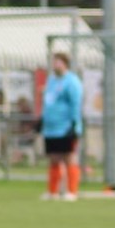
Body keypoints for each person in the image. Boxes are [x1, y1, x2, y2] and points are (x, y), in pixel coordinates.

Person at [39, 51, 83, 201]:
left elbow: (75, 104)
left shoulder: (72, 81)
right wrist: (42, 119)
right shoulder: (51, 80)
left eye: (58, 61)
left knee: (69, 157)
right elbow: (48, 102)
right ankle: (53, 191)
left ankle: (72, 191)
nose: (55, 64)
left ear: (65, 63)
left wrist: (74, 124)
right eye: (54, 61)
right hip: (51, 128)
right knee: (53, 158)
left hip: (65, 127)